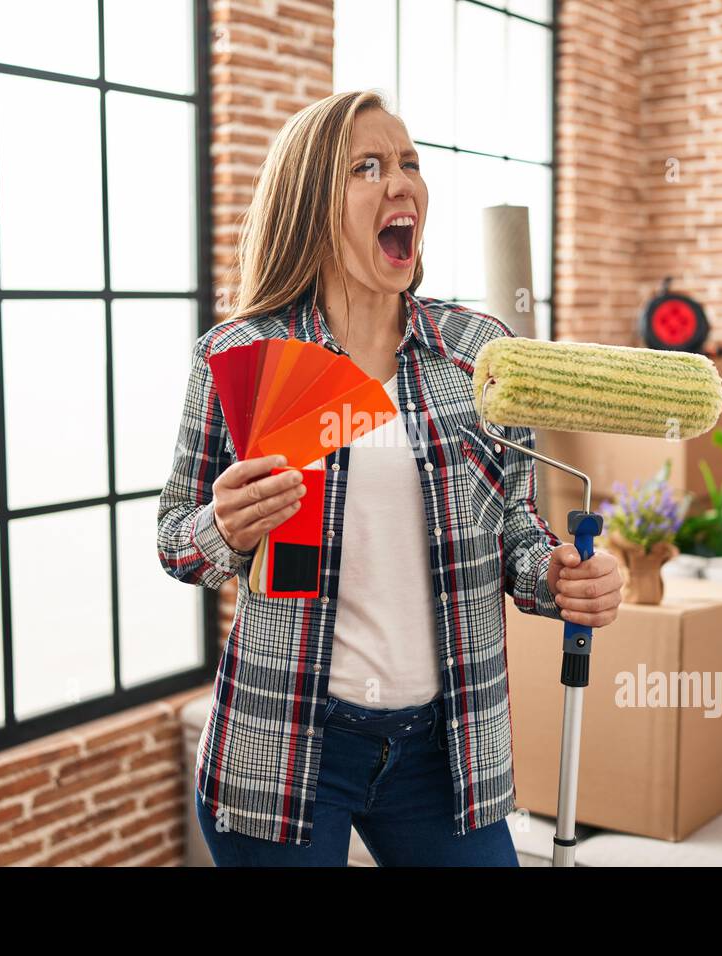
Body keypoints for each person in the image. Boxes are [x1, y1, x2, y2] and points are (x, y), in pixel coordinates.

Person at [157, 90, 623, 866]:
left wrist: (561, 575)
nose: (400, 182)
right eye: (367, 167)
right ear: (311, 203)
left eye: (409, 162)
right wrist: (223, 527)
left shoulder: (478, 352)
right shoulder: (242, 354)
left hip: (442, 750)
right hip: (286, 743)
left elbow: (515, 525)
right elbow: (176, 540)